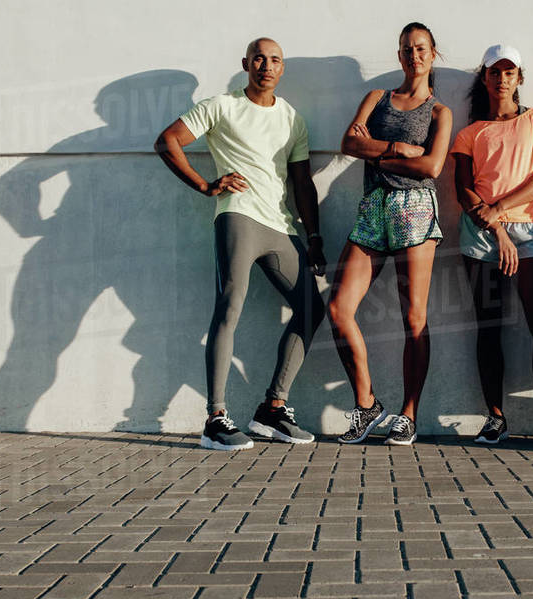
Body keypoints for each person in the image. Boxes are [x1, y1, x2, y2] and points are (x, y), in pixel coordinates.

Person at [154, 38, 326, 451]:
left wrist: (314, 236)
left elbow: (302, 183)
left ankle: (272, 409)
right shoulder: (222, 106)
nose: (266, 66)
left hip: (280, 226)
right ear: (246, 63)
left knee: (311, 308)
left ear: (282, 68)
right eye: (259, 59)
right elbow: (168, 141)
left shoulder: (292, 119)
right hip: (238, 216)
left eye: (275, 60)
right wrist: (205, 185)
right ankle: (215, 419)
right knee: (230, 306)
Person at [329, 22, 453, 446]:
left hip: (415, 209)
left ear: (433, 54)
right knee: (338, 308)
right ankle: (367, 403)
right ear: (399, 55)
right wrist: (398, 150)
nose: (413, 55)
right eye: (406, 48)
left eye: (421, 48)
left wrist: (377, 153)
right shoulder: (377, 98)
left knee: (413, 316)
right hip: (373, 207)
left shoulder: (439, 112)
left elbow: (431, 167)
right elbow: (349, 143)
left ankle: (408, 415)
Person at [451, 45, 533, 446]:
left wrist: (499, 211)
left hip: (528, 231)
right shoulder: (469, 134)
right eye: (494, 72)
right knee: (489, 326)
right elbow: (463, 190)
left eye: (509, 72)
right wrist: (496, 226)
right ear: (484, 78)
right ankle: (495, 418)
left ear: (519, 78)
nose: (501, 79)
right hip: (480, 234)